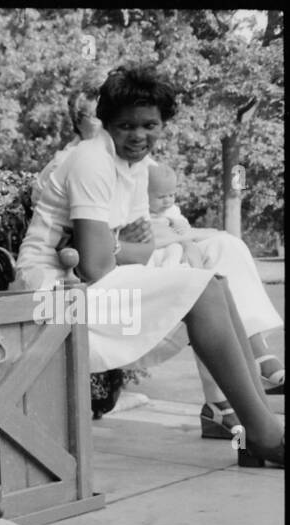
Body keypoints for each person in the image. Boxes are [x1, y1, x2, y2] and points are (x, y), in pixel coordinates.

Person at [16, 65, 283, 467]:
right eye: (126, 125)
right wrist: (115, 246)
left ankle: (257, 428)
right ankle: (264, 435)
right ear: (106, 123)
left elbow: (139, 246)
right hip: (49, 299)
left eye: (150, 125)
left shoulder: (138, 165)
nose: (139, 136)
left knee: (216, 281)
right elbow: (95, 264)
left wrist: (114, 243)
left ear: (163, 124)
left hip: (87, 287)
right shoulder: (92, 161)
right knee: (203, 290)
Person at [145, 160, 286, 437]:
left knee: (227, 246)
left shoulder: (144, 163)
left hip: (168, 251)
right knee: (202, 282)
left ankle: (227, 394)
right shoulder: (92, 161)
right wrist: (188, 238)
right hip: (136, 267)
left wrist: (190, 237)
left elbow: (178, 227)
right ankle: (225, 401)